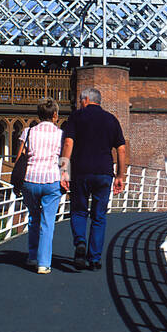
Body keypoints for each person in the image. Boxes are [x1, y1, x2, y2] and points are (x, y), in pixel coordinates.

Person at [58, 87, 128, 271]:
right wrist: (120, 175)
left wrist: (64, 172)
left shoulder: (76, 117)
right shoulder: (112, 120)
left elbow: (68, 143)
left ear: (86, 99)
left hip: (80, 172)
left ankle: (80, 242)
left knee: (79, 211)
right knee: (99, 216)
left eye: (81, 100)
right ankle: (95, 259)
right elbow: (121, 149)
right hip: (104, 173)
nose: (80, 103)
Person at [14, 99, 65, 274]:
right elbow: (64, 160)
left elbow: (19, 157)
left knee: (33, 217)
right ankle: (43, 263)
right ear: (55, 115)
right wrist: (66, 179)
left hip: (30, 180)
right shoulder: (61, 134)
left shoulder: (28, 132)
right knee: (48, 222)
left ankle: (33, 256)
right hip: (52, 180)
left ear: (39, 114)